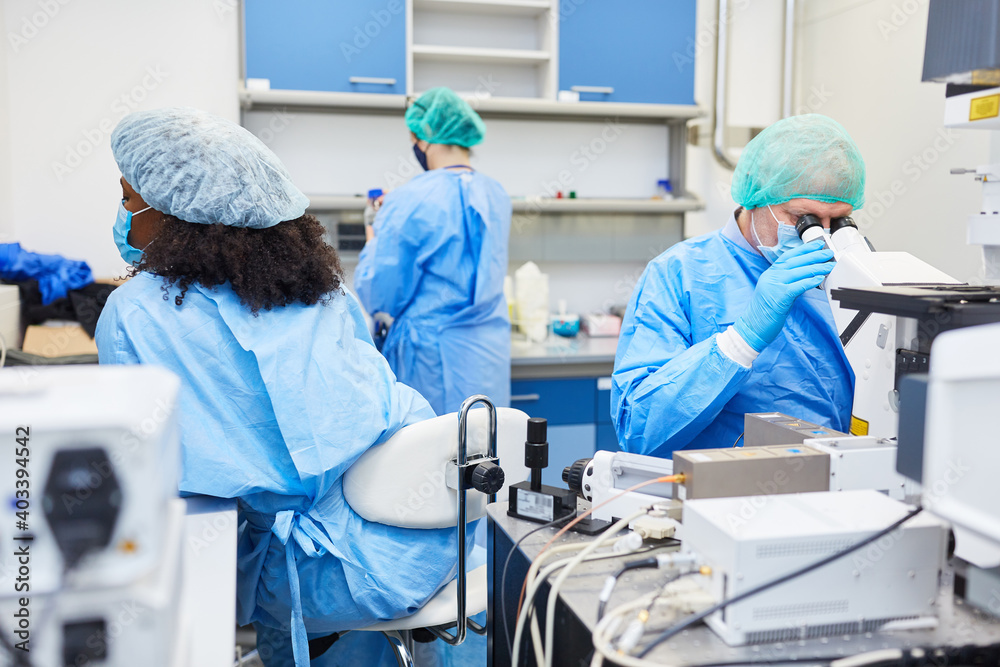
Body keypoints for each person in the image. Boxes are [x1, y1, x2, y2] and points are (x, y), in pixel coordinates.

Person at [96, 107, 473, 667]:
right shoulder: (323, 292)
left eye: (129, 199)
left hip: (313, 572)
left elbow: (145, 478)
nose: (124, 214)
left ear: (176, 214)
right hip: (423, 544)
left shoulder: (134, 313)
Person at [612, 114, 862, 458]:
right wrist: (741, 340)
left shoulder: (841, 273)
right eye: (802, 218)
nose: (819, 236)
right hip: (720, 492)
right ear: (757, 198)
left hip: (835, 482)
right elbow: (638, 432)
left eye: (836, 221)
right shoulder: (678, 273)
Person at [354, 87, 512, 416]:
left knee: (435, 461)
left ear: (424, 138)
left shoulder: (409, 200)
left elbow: (379, 295)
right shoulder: (497, 194)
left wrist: (375, 234)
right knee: (487, 456)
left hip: (429, 360)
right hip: (487, 357)